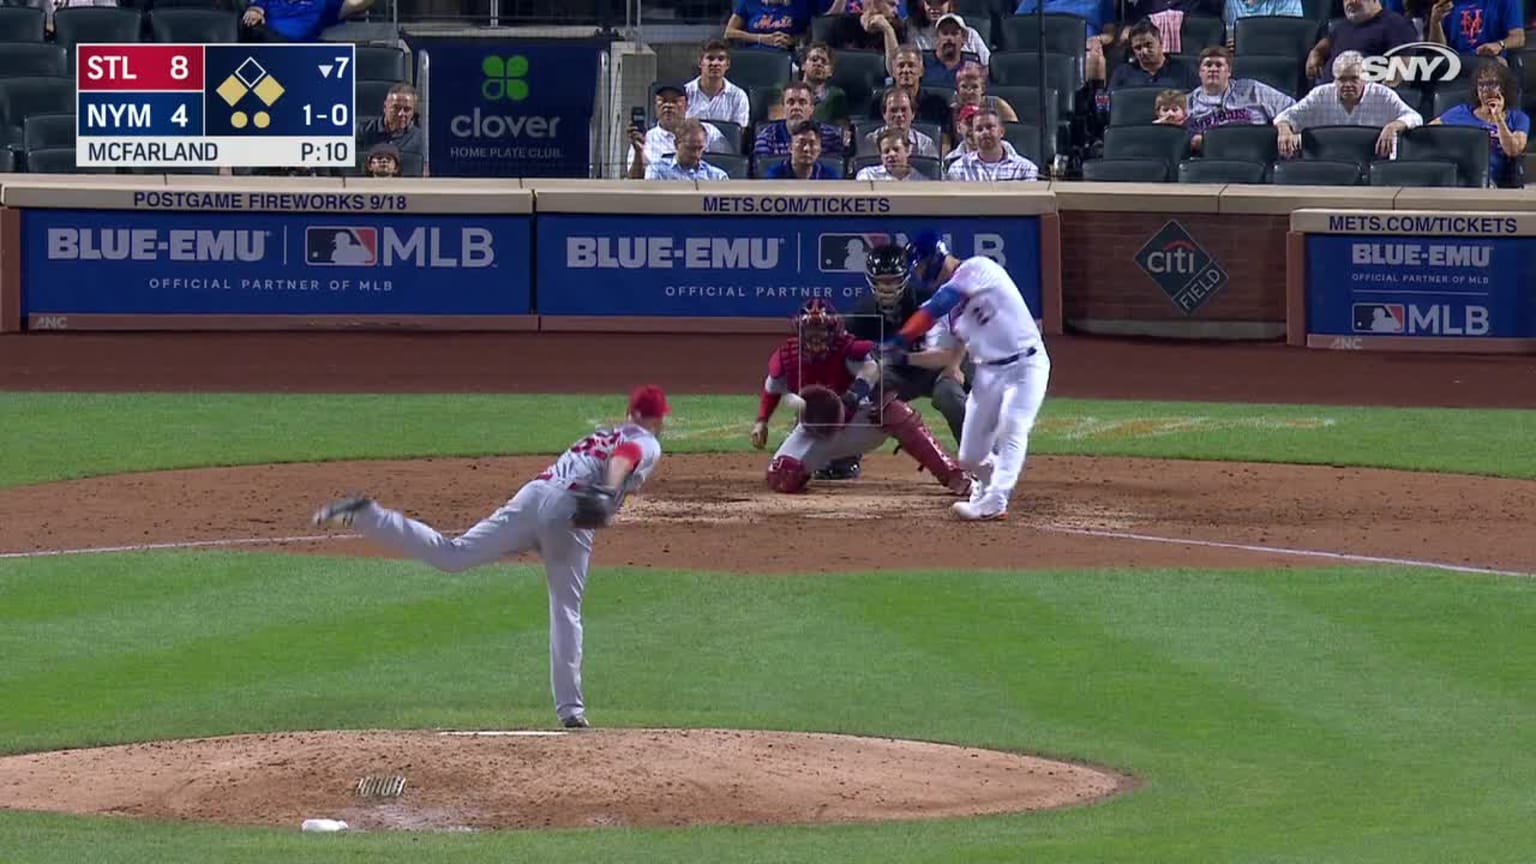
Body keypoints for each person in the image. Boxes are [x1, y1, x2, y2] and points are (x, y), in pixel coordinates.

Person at [310, 385, 672, 730]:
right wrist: (608, 490)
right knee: (566, 609)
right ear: (658, 419)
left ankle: (367, 515)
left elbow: (614, 453)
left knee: (454, 556)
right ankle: (571, 711)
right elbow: (628, 455)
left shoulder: (600, 434)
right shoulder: (647, 442)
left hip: (533, 496)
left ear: (628, 411)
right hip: (568, 514)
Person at [882, 231, 1050, 521]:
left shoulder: (978, 267)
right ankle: (989, 482)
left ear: (933, 258)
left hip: (1027, 364)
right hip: (989, 372)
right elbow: (943, 354)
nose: (920, 274)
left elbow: (938, 305)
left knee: (1013, 426)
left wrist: (901, 338)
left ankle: (995, 501)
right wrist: (900, 356)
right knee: (970, 457)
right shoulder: (947, 312)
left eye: (920, 267)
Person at [750, 299, 971, 495]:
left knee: (893, 410)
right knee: (782, 477)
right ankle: (827, 464)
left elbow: (871, 367)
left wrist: (855, 393)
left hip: (856, 424)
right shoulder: (786, 358)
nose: (816, 337)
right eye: (810, 331)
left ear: (834, 330)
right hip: (816, 430)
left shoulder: (848, 349)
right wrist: (761, 421)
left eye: (822, 330)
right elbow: (771, 389)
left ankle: (952, 474)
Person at [1274, 51, 1422, 158]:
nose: (1348, 85)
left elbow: (1415, 117)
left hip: (1374, 161)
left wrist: (1392, 127)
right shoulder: (1320, 95)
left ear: (1365, 78)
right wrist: (1284, 128)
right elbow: (1285, 116)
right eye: (1342, 79)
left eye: (1354, 79)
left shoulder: (1382, 94)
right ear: (1334, 80)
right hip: (1329, 163)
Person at [1429, 58, 1529, 187]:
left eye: (1492, 84)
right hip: (1456, 175)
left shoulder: (1517, 118)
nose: (1485, 89)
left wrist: (1498, 118)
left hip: (1488, 180)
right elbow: (1427, 133)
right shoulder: (1460, 112)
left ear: (1504, 87)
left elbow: (1513, 150)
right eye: (1481, 84)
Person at [1186, 46, 1296, 138]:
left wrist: (1284, 124)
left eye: (1219, 65)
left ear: (1229, 72)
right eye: (1208, 65)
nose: (1213, 69)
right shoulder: (1187, 103)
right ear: (1200, 72)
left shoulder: (1252, 89)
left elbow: (1292, 108)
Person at [1305, 0, 1418, 85]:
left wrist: (1381, 94)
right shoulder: (1342, 26)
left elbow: (1403, 63)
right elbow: (1326, 43)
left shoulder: (1396, 24)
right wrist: (1316, 53)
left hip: (1364, 99)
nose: (1350, 2)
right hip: (1325, 96)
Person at [628, 87, 729, 179]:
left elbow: (730, 164)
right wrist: (638, 152)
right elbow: (634, 183)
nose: (668, 106)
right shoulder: (644, 139)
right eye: (663, 101)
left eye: (674, 101)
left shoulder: (709, 131)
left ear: (686, 105)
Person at [754, 82, 847, 156]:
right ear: (783, 107)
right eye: (791, 102)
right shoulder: (767, 138)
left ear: (811, 108)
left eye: (802, 102)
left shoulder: (831, 138)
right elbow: (763, 172)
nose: (796, 107)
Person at [945, 108, 1040, 180]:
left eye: (989, 127)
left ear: (1002, 131)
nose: (985, 132)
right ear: (974, 135)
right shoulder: (958, 169)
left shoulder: (1025, 169)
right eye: (979, 129)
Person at [1109, 19, 1200, 92]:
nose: (1144, 51)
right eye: (1138, 48)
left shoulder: (1185, 71)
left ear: (1161, 42)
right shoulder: (1122, 73)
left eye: (1148, 45)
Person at [357, 83, 425, 177]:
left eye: (407, 109)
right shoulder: (362, 132)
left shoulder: (420, 139)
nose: (401, 114)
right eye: (396, 108)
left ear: (414, 111)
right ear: (385, 107)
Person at [686, 40, 752, 129]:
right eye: (710, 58)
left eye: (721, 59)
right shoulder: (685, 93)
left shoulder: (738, 96)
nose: (715, 63)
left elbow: (738, 132)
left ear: (727, 64)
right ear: (700, 63)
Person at [1427, 0, 1523, 58]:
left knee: (1498, 65)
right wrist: (1435, 22)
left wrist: (1499, 45)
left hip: (1490, 59)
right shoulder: (1446, 4)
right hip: (1457, 62)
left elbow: (1519, 38)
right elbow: (1438, 51)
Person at [240, 0, 374, 41]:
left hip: (302, 58)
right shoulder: (267, 2)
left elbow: (357, 3)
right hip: (266, 55)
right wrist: (254, 11)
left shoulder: (321, 4)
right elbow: (254, 9)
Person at [644, 119, 732, 180]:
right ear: (676, 144)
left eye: (700, 148)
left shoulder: (717, 177)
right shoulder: (657, 171)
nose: (696, 154)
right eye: (690, 149)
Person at [761, 121, 844, 177]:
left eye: (812, 144)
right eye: (801, 143)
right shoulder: (775, 175)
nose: (806, 149)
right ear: (790, 147)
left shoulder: (830, 176)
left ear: (819, 149)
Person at [724, 0, 816, 50]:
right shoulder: (749, 2)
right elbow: (729, 33)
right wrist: (761, 39)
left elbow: (806, 36)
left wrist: (792, 42)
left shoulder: (800, 4)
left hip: (785, 55)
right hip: (753, 53)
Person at [857, 127, 930, 179]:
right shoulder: (867, 175)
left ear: (907, 150)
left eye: (896, 149)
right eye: (886, 151)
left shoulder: (920, 181)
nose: (891, 154)